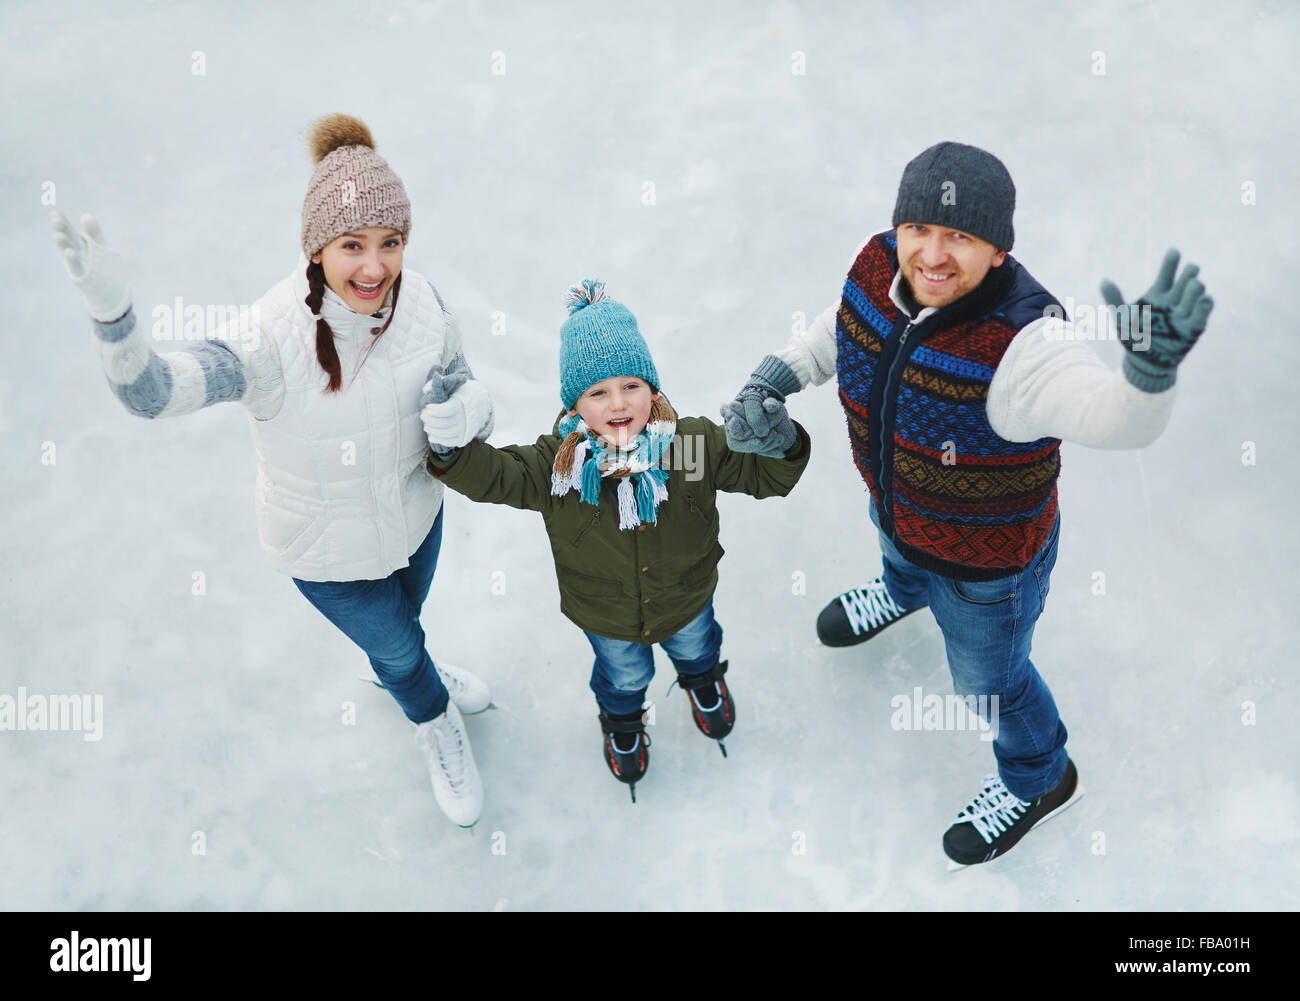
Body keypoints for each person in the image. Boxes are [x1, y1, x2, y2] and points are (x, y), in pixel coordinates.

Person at [721, 141, 1213, 866]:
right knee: (896, 552)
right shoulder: (877, 264)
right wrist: (775, 379)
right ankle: (904, 587)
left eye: (962, 236)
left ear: (998, 250)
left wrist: (1148, 372)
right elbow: (841, 323)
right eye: (920, 229)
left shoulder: (1028, 344)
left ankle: (1041, 776)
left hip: (987, 574)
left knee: (991, 685)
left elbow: (1112, 417)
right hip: (899, 510)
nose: (934, 254)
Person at [49, 114, 497, 828]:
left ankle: (409, 672)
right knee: (400, 646)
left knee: (404, 628)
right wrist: (115, 317)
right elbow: (154, 392)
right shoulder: (267, 338)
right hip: (329, 557)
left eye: (390, 243)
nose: (375, 267)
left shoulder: (426, 305)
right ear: (316, 248)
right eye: (353, 245)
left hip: (417, 519)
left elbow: (467, 384)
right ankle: (432, 715)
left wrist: (470, 410)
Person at [422, 280, 811, 800]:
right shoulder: (556, 468)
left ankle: (703, 682)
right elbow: (494, 475)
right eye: (598, 392)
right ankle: (622, 721)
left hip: (688, 596)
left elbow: (765, 476)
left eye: (632, 385)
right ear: (574, 404)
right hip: (607, 615)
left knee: (698, 648)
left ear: (653, 388)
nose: (619, 403)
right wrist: (451, 449)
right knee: (623, 677)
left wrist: (781, 443)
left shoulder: (689, 446)